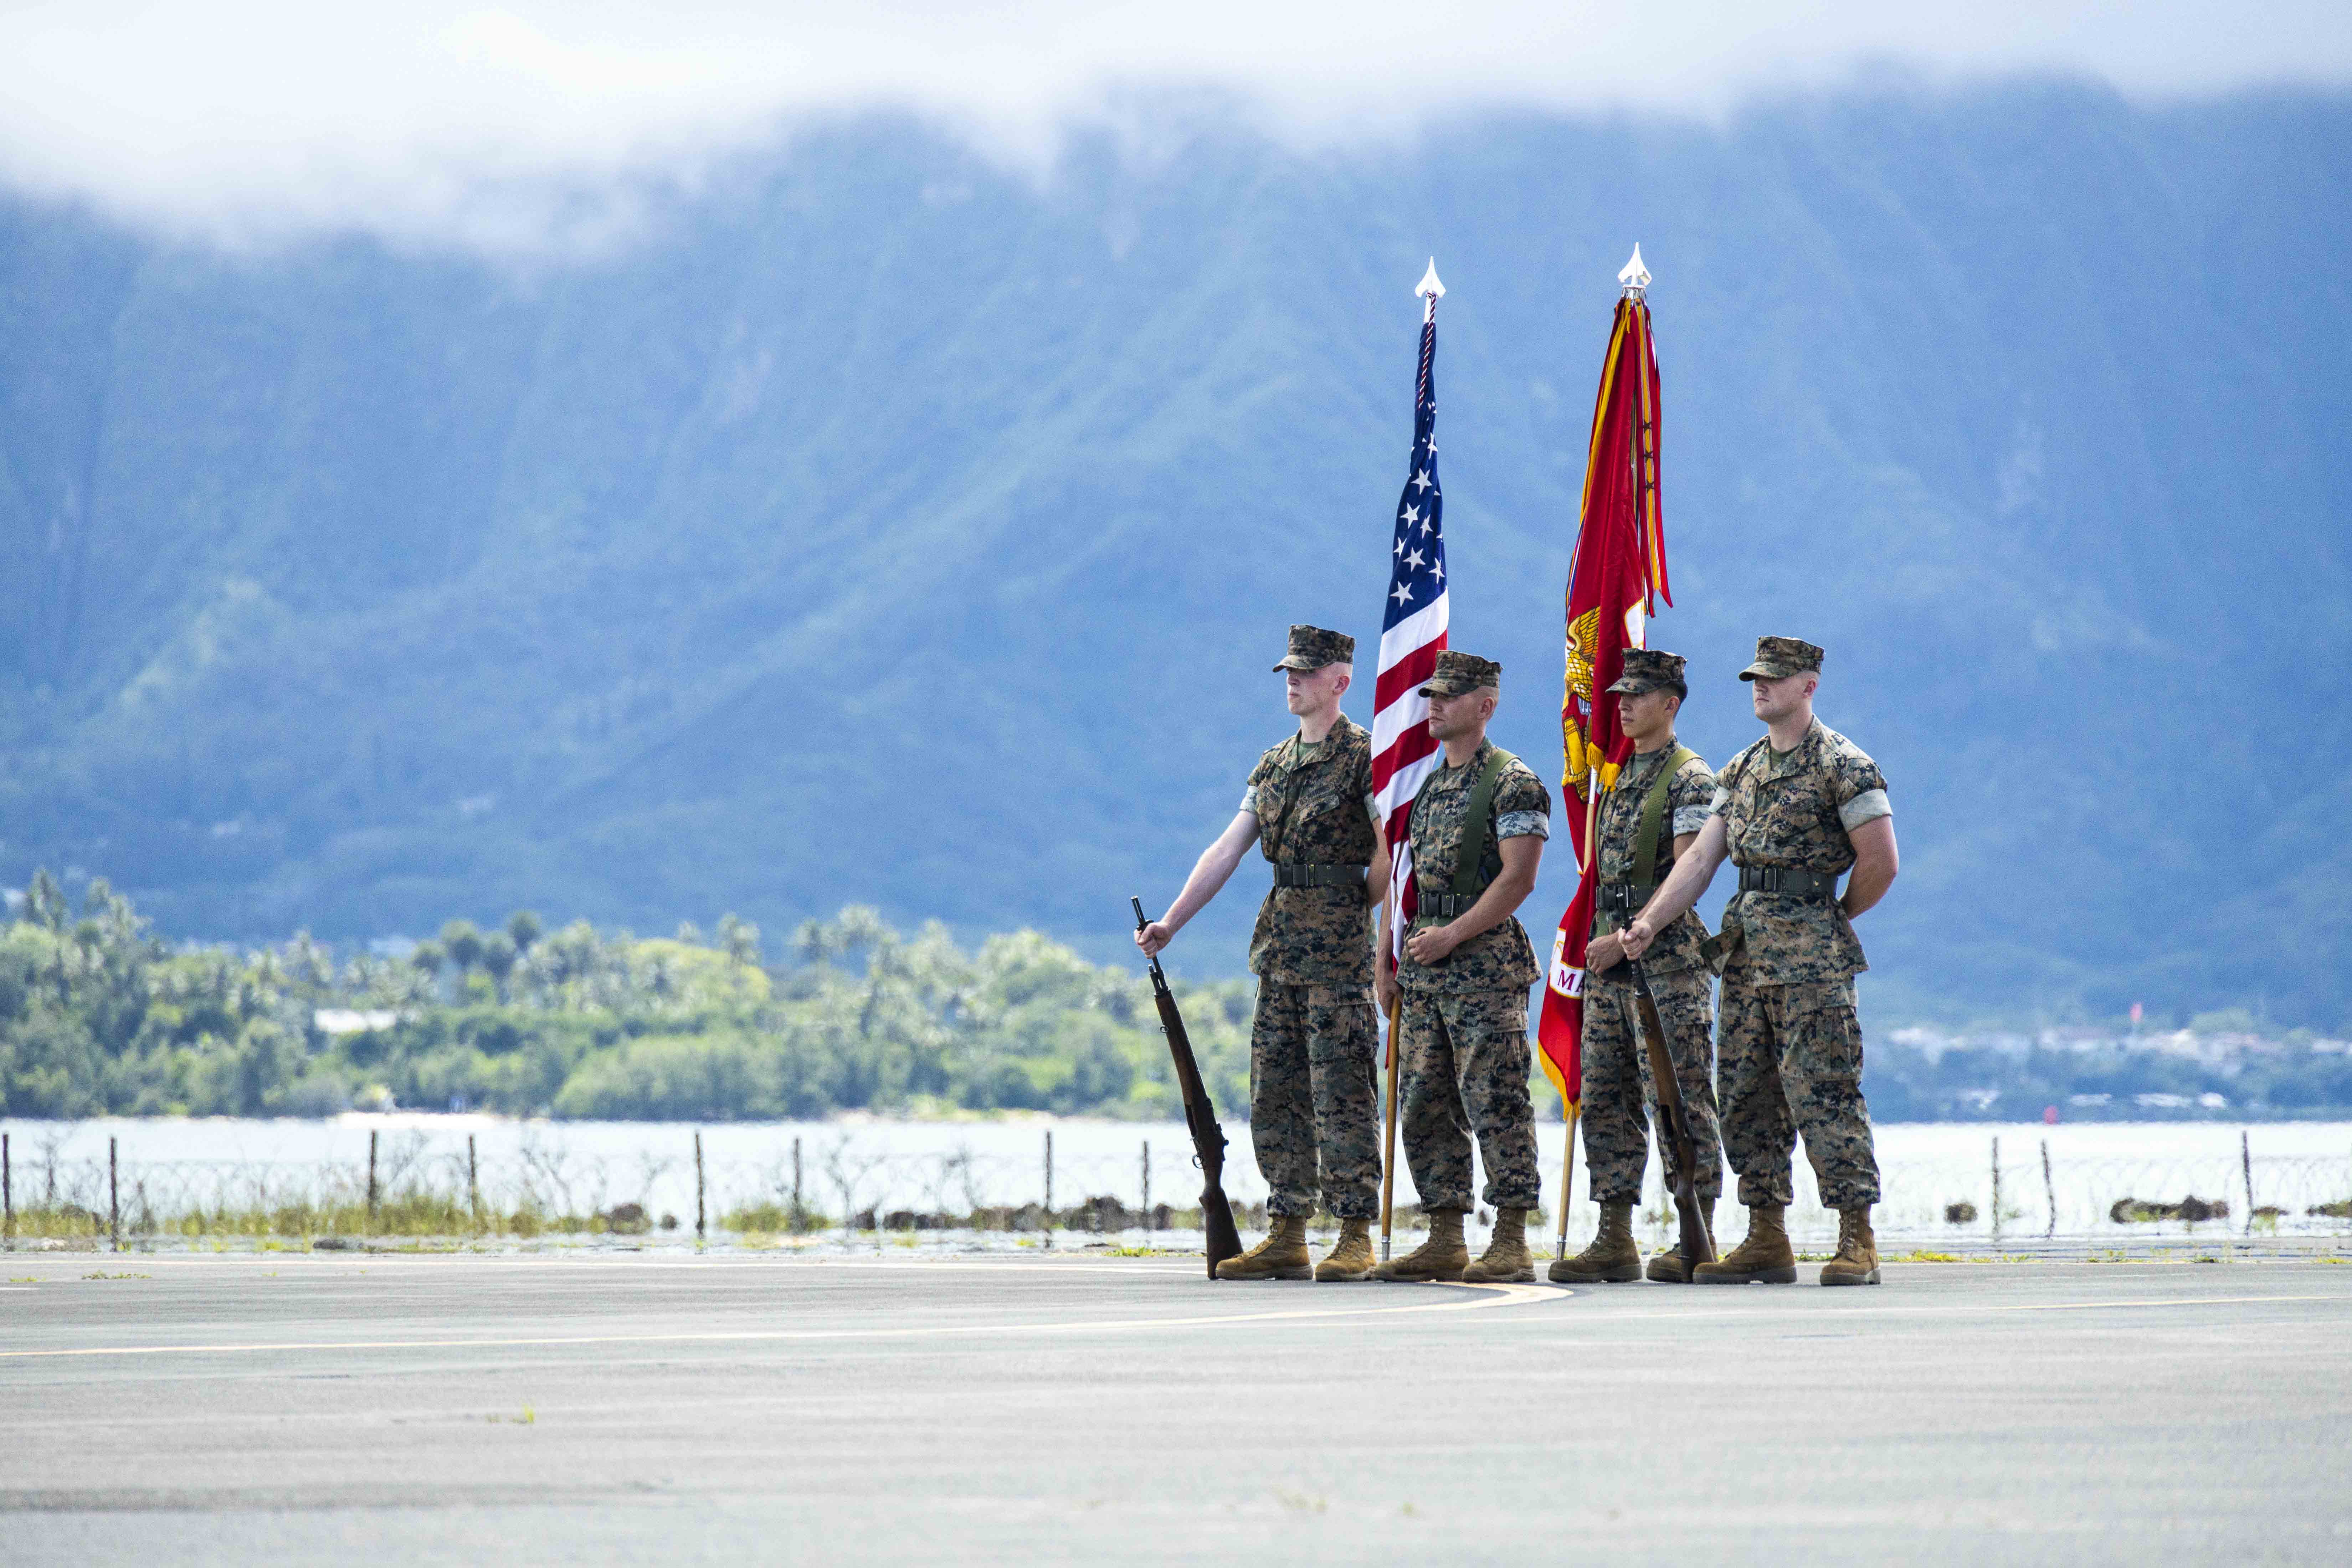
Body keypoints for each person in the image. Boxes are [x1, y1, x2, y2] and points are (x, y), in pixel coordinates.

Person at [1621, 636, 1899, 1286]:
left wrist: (1826, 924)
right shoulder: (1740, 769)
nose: (1760, 687)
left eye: (1773, 679)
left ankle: (1855, 1237)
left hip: (1811, 964)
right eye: (1754, 678)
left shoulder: (1844, 765)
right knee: (1746, 1096)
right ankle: (1765, 1234)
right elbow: (1699, 860)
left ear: (1808, 686)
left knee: (1824, 1094)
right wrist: (1649, 922)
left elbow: (1880, 862)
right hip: (1744, 958)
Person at [1136, 625, 1388, 1281]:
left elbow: (1390, 849)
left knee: (1343, 1093)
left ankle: (1356, 1230)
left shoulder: (1365, 756)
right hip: (1278, 952)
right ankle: (1288, 1228)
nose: (1292, 682)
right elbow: (1227, 848)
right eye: (1287, 672)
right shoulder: (1273, 764)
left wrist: (1358, 907)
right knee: (1275, 1093)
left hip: (1337, 953)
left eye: (1305, 672)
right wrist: (1172, 922)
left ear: (1341, 680)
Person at [1371, 650, 1551, 1284]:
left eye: (1448, 695)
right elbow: (1405, 879)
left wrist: (1453, 935)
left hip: (1484, 968)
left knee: (1495, 1101)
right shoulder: (1428, 786)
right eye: (1431, 695)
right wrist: (1384, 961)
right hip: (1423, 967)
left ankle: (1508, 1239)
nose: (1434, 705)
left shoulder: (1512, 782)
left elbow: (1518, 879)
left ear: (1486, 704)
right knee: (1424, 1103)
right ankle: (1445, 1233)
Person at [1551, 649, 1725, 1285]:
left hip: (1665, 961)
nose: (1620, 704)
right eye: (1619, 694)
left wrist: (1632, 935)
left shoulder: (1690, 778)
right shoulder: (1620, 775)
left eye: (1636, 695)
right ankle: (1614, 1234)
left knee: (1678, 1098)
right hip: (1610, 958)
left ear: (1670, 704)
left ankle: (1695, 1226)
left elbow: (1688, 870)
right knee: (1606, 1095)